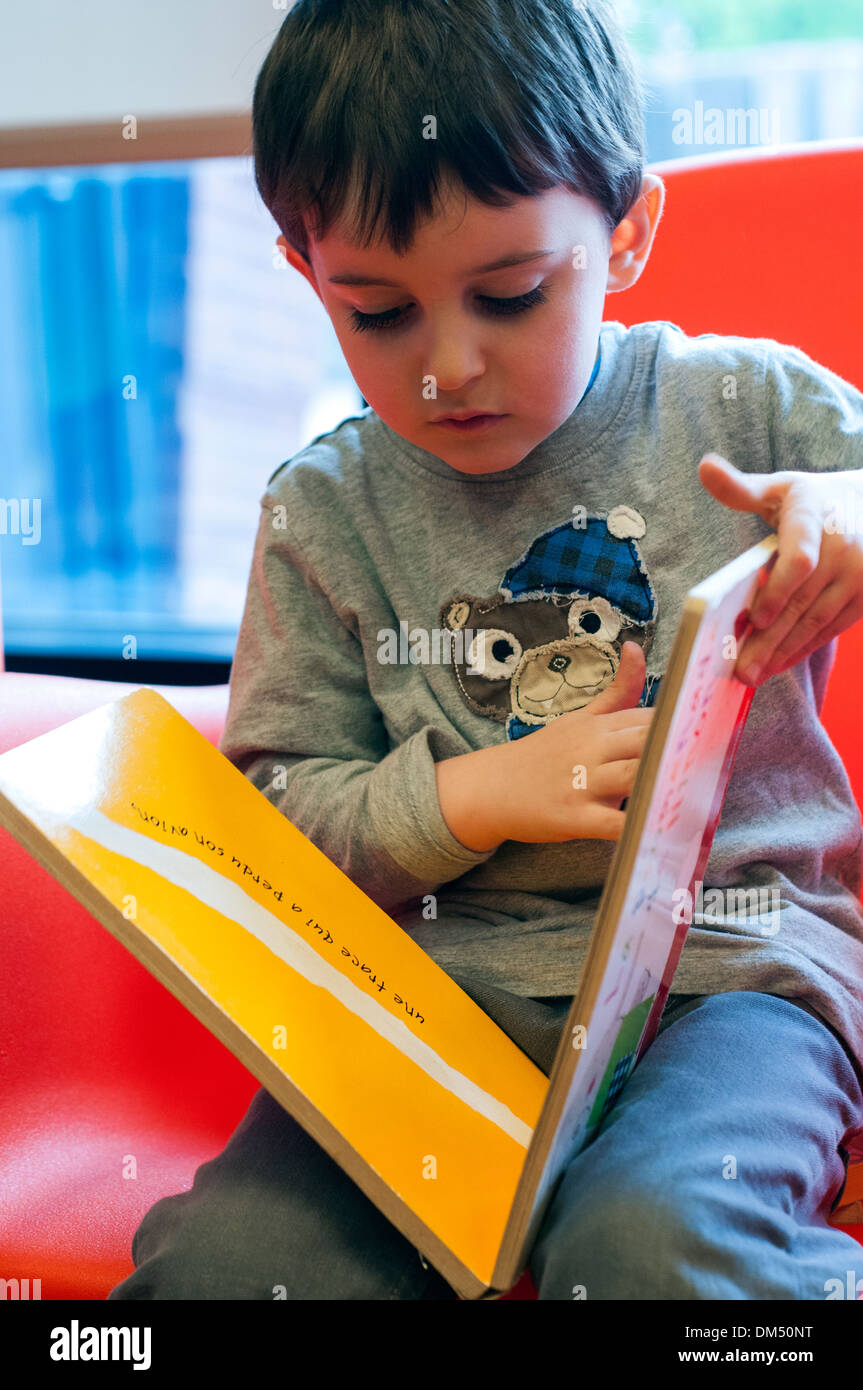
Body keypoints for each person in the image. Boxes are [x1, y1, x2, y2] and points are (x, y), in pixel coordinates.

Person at [108, 0, 863, 1301]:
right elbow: (270, 835)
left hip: (730, 973)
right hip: (422, 1007)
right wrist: (473, 797)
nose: (448, 365)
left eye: (510, 294)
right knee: (228, 1268)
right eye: (377, 314)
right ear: (303, 272)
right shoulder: (322, 514)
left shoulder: (745, 404)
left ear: (627, 231)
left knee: (652, 1247)